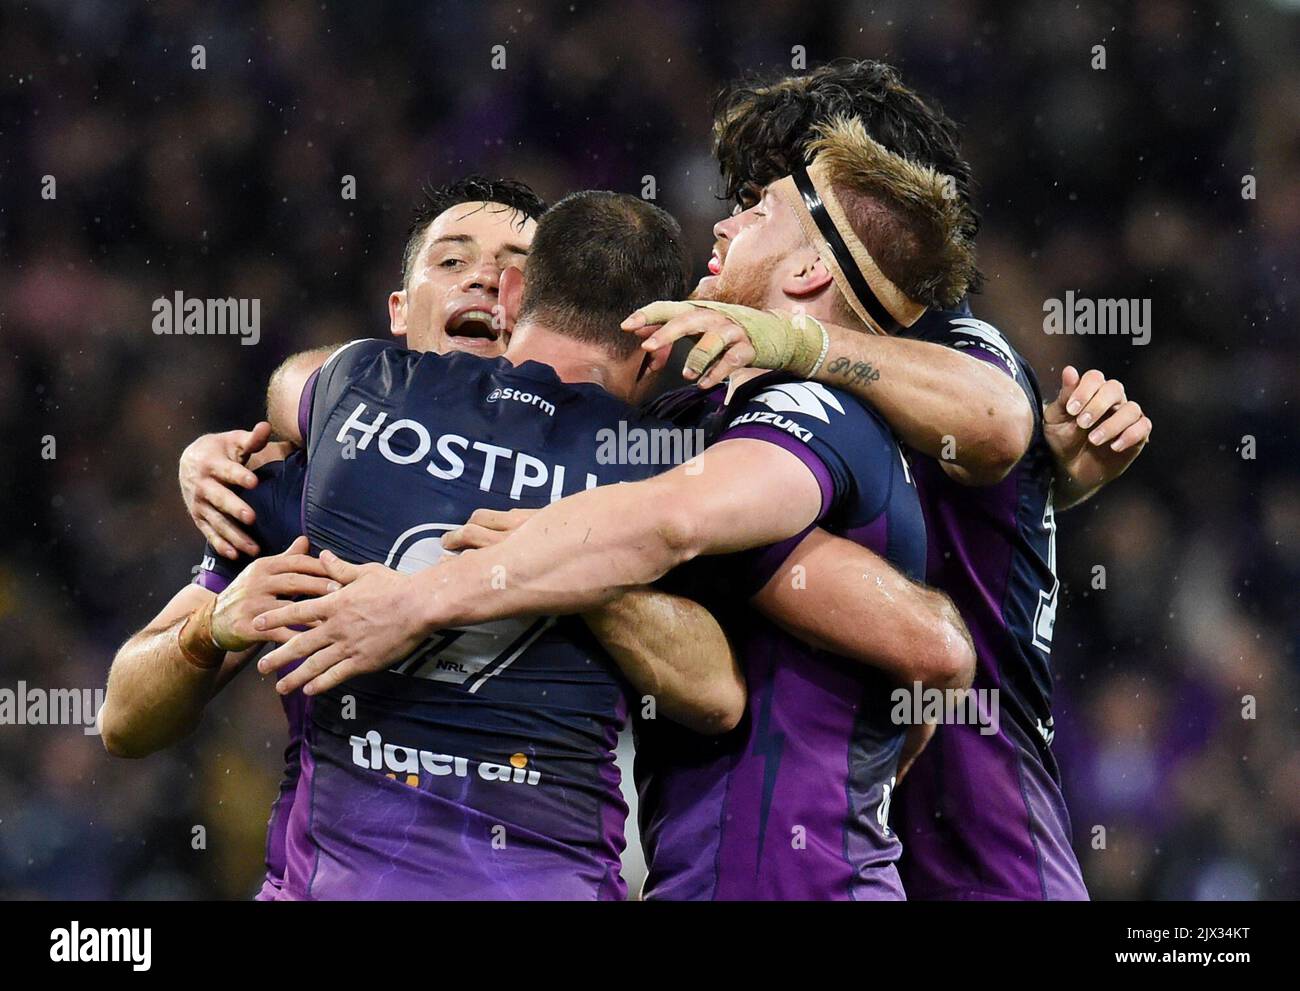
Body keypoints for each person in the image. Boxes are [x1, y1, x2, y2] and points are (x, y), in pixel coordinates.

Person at [252, 122, 983, 899]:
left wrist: (418, 599)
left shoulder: (783, 423)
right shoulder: (672, 439)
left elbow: (927, 641)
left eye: (759, 210)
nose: (727, 221)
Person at [616, 60, 1153, 899]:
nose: (735, 220)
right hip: (858, 848)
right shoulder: (751, 395)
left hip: (982, 850)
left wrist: (797, 341)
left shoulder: (943, 344)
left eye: (771, 198)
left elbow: (997, 423)